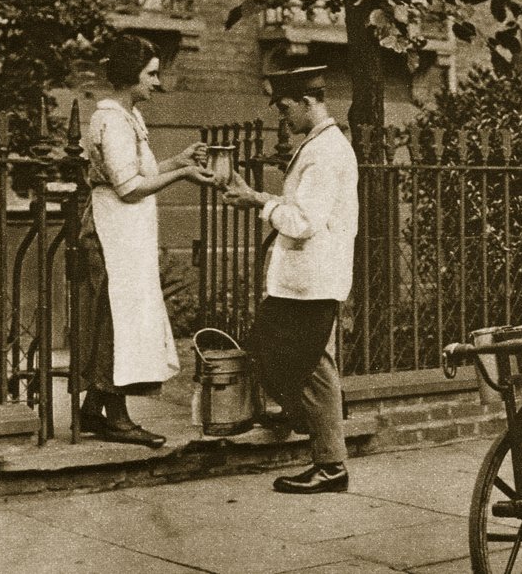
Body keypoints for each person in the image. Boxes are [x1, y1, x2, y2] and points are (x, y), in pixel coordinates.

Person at [222, 66, 358, 493]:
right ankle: (321, 428)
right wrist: (259, 197)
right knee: (284, 353)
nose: (283, 117)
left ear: (307, 101)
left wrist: (260, 203)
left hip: (312, 279)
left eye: (285, 107)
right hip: (307, 279)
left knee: (311, 366)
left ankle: (330, 460)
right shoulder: (320, 145)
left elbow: (302, 223)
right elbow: (302, 209)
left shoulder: (325, 152)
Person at [77, 34, 216, 448]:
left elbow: (144, 172)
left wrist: (179, 159)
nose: (157, 82)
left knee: (128, 318)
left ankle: (92, 411)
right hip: (111, 229)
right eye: (151, 74)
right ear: (128, 77)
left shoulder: (130, 116)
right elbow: (128, 187)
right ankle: (116, 417)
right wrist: (183, 175)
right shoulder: (111, 120)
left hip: (129, 231)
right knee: (117, 321)